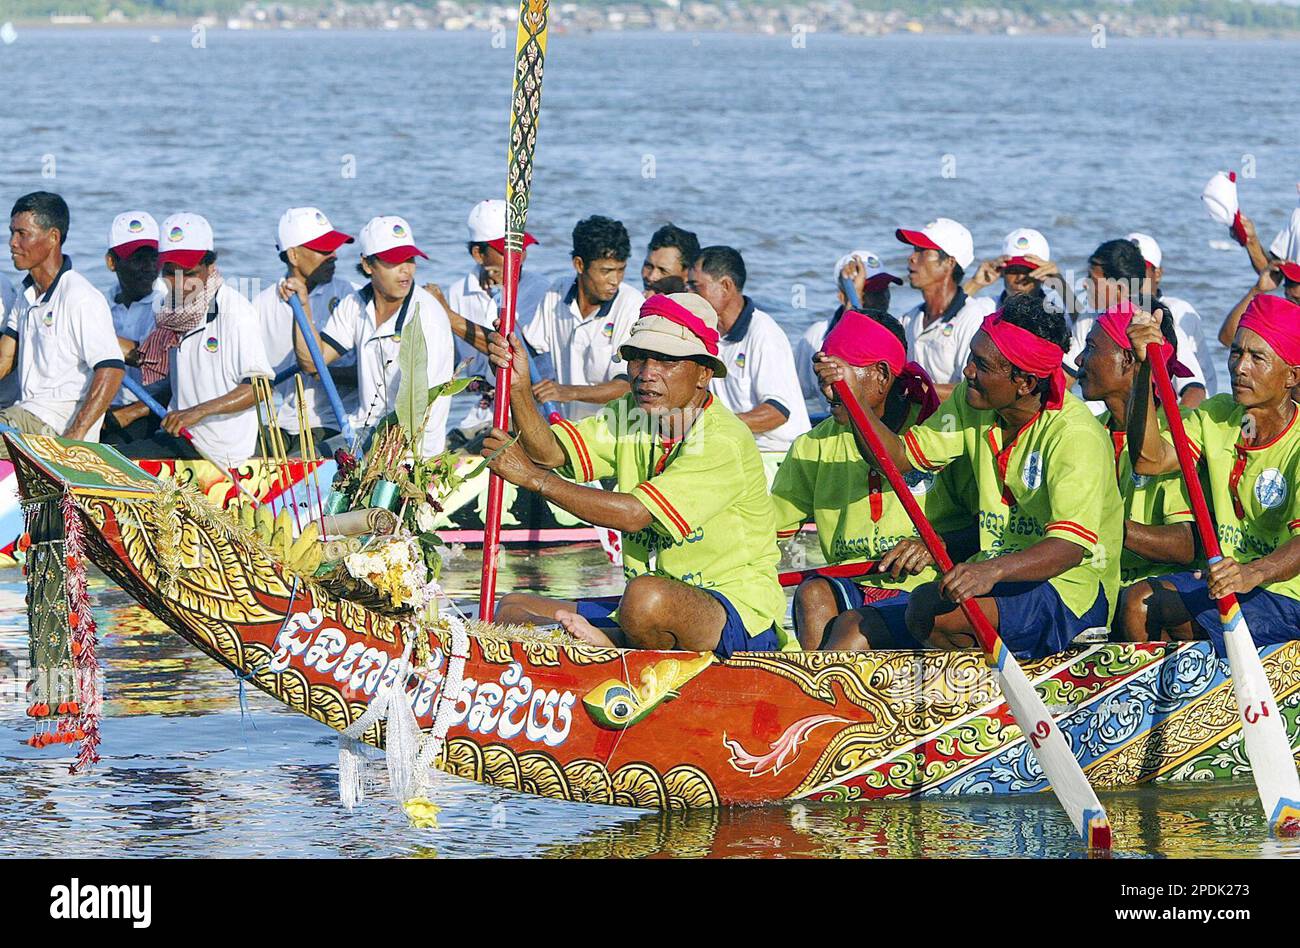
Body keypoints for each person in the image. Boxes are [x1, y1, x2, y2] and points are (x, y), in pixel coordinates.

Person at [481, 292, 791, 656]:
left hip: (735, 615)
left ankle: (608, 645)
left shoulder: (723, 440)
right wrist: (519, 389)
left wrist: (534, 480)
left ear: (704, 374)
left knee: (645, 595)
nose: (646, 375)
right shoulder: (631, 412)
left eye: (666, 361)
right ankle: (599, 649)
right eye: (638, 359)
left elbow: (633, 515)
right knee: (513, 609)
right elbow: (548, 451)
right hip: (650, 603)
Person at [818, 293, 1122, 659]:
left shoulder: (1075, 435)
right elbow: (896, 459)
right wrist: (853, 402)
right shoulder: (971, 400)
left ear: (1025, 382)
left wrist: (988, 572)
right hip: (996, 577)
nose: (967, 373)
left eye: (981, 365)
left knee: (931, 610)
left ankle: (957, 703)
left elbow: (1068, 548)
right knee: (852, 627)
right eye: (970, 358)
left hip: (1069, 592)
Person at [772, 310, 972, 649]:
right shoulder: (812, 445)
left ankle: (821, 696)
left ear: (881, 376)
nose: (827, 391)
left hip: (926, 591)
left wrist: (933, 544)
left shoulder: (937, 433)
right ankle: (820, 691)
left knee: (852, 629)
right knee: (812, 592)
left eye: (836, 377)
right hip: (852, 583)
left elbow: (988, 529)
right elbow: (764, 528)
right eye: (821, 376)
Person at [1117, 295, 1300, 652]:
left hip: (1287, 593)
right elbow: (1148, 460)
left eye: (1256, 357)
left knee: (1158, 611)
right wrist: (1143, 372)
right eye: (1236, 353)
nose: (1239, 367)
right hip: (1225, 580)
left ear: (1291, 376)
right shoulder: (1218, 414)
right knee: (1137, 602)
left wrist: (1253, 572)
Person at [117, 212, 271, 465]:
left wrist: (196, 413)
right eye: (168, 272)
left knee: (115, 461)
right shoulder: (169, 312)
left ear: (210, 268)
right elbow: (151, 362)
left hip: (219, 452)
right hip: (179, 436)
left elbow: (261, 387)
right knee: (107, 443)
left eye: (189, 273)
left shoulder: (235, 312)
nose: (178, 284)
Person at [297, 215, 455, 457]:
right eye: (394, 261)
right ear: (368, 265)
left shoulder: (427, 316)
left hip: (413, 445)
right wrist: (303, 306)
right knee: (296, 463)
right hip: (362, 431)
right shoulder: (354, 303)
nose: (406, 270)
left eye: (410, 259)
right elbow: (311, 362)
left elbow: (421, 406)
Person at [1073, 302, 1196, 586]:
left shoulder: (1180, 431)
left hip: (1157, 591)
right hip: (1099, 581)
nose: (1079, 360)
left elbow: (1185, 545)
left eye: (1090, 347)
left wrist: (1103, 525)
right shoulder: (1088, 430)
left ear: (1129, 360)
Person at [0, 192, 124, 452]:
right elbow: (4, 361)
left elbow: (111, 371)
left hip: (56, 426)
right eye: (12, 232)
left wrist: (74, 438)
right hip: (26, 416)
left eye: (23, 234)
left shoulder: (81, 297)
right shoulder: (25, 296)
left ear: (53, 237)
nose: (12, 242)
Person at [687, 245, 810, 461]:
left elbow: (777, 412)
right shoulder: (705, 333)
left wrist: (713, 426)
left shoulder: (765, 333)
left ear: (726, 286)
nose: (689, 294)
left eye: (696, 287)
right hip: (734, 447)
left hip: (778, 455)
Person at [253, 206, 358, 453]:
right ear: (293, 256)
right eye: (323, 249)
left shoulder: (352, 297)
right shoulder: (260, 306)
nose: (334, 255)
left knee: (296, 459)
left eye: (334, 247)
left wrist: (322, 372)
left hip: (336, 424)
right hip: (283, 423)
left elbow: (370, 376)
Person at [521, 215, 643, 421]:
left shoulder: (631, 305)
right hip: (567, 429)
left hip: (614, 433)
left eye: (621, 270)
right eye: (606, 271)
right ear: (579, 264)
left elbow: (627, 386)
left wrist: (568, 392)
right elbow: (534, 357)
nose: (615, 280)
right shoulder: (556, 293)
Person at [1068, 239, 1208, 409]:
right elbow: (1065, 376)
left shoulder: (1153, 324)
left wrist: (1169, 432)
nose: (1084, 283)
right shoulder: (1088, 320)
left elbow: (1195, 390)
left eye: (1093, 279)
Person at [436, 198, 549, 385]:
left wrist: (449, 316)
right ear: (479, 254)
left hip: (527, 398)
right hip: (480, 406)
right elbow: (447, 363)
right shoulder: (457, 293)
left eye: (521, 246)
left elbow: (520, 355)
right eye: (508, 249)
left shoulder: (540, 289)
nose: (519, 256)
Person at [895, 218, 997, 398]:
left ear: (949, 262)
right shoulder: (909, 319)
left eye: (922, 251)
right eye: (914, 250)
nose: (912, 257)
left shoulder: (972, 319)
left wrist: (918, 390)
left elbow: (975, 390)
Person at [794, 250, 902, 404]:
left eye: (884, 289)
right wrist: (853, 296)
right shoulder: (815, 335)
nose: (882, 297)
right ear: (842, 297)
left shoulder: (898, 333)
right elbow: (795, 396)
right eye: (871, 291)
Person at [1126, 232, 1215, 406]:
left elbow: (1195, 390)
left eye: (1139, 270)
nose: (1133, 278)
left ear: (1157, 273)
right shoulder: (1112, 312)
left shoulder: (1177, 312)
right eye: (1127, 271)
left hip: (1188, 407)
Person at [100, 211, 164, 445]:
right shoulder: (99, 303)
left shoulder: (170, 306)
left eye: (153, 258)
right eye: (137, 259)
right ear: (111, 262)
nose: (148, 267)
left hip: (154, 411)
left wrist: (95, 337)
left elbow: (152, 359)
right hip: (105, 407)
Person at [963, 227, 1075, 314]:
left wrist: (1062, 287)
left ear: (1044, 274)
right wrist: (975, 284)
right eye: (1013, 270)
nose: (1020, 278)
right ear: (1002, 272)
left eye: (1028, 271)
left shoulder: (1057, 315)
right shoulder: (985, 309)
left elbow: (1082, 327)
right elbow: (949, 315)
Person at [641, 222, 699, 296]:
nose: (651, 277)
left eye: (663, 271)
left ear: (688, 274)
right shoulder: (632, 300)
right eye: (648, 266)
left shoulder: (696, 306)